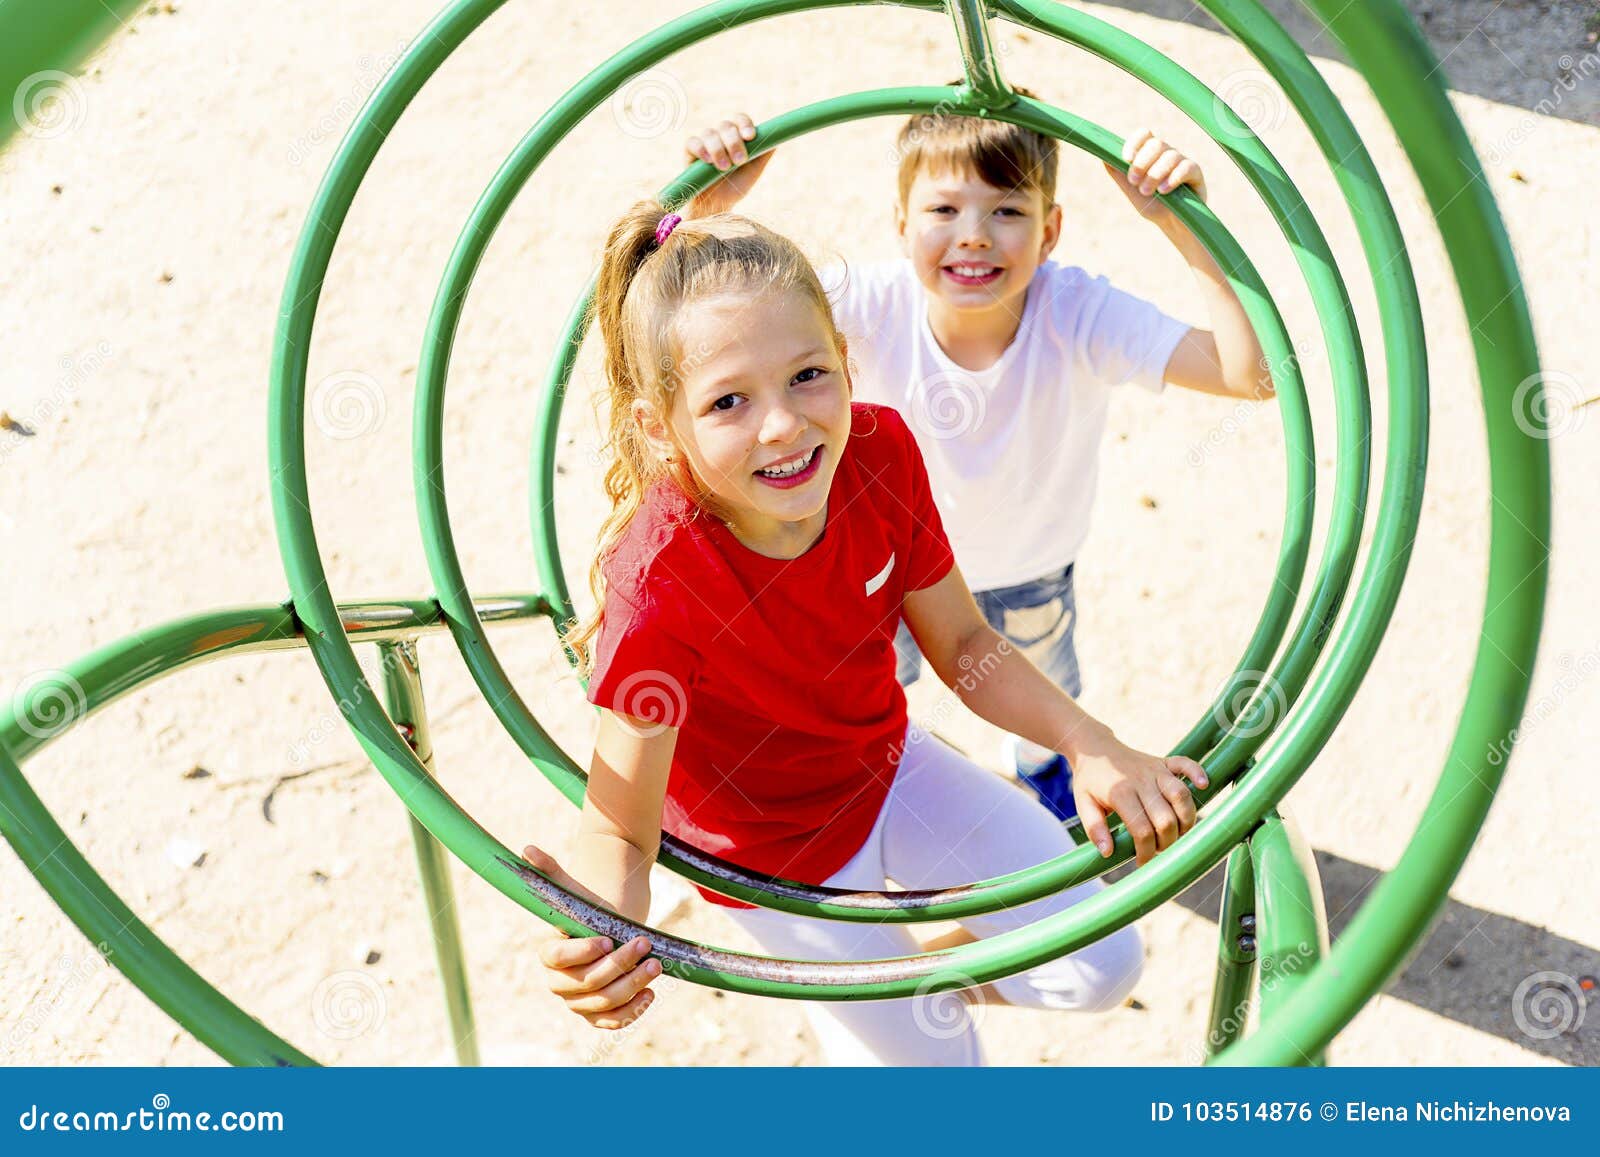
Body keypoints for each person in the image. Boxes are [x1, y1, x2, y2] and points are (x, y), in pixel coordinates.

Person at [523, 202, 1208, 1065]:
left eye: (808, 374)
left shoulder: (879, 454)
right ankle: (900, 1024)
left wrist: (1087, 739)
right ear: (663, 428)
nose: (783, 424)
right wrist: (601, 937)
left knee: (1102, 961)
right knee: (945, 1078)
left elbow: (962, 644)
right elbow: (621, 825)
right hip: (768, 861)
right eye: (729, 400)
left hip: (885, 767)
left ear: (845, 360)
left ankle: (921, 982)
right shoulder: (660, 583)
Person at [681, 93, 1273, 820]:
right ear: (900, 225)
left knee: (1044, 697)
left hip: (1029, 567)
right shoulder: (864, 304)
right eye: (943, 212)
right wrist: (701, 220)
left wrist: (1188, 232)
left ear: (1051, 230)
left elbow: (1253, 375)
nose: (975, 238)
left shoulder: (1077, 312)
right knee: (868, 694)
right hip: (882, 566)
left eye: (1008, 212)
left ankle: (1044, 768)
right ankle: (888, 783)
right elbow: (706, 332)